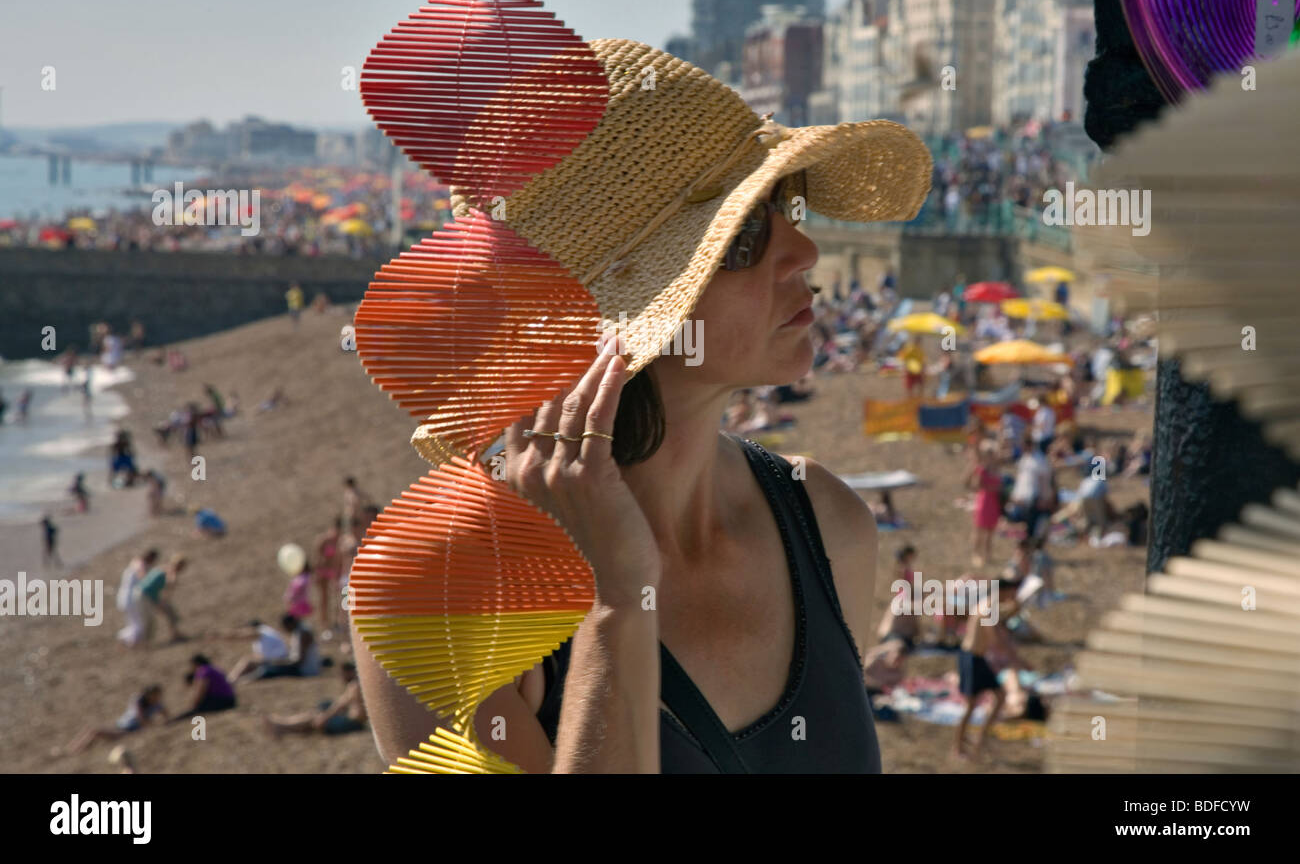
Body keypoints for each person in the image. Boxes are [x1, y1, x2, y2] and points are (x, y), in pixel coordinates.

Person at [352, 37, 933, 774]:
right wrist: (617, 606)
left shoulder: (823, 518)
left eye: (781, 204)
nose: (806, 250)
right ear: (632, 306)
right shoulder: (441, 585)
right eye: (746, 234)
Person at [952, 592, 1027, 762]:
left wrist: (1014, 609)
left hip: (976, 657)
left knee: (999, 696)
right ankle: (959, 747)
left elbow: (1001, 618)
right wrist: (1016, 660)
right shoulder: (987, 608)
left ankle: (979, 740)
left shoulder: (987, 605)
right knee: (971, 705)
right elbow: (995, 639)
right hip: (972, 658)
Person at [264, 662, 368, 737]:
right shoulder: (358, 684)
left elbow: (340, 704)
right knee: (321, 708)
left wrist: (325, 717)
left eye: (342, 674)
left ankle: (284, 726)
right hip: (353, 720)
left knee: (314, 717)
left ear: (349, 672)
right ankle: (285, 725)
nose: (341, 677)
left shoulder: (355, 685)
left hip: (353, 724)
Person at [58, 686, 167, 756]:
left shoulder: (155, 704)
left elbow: (143, 718)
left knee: (96, 732)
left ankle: (75, 750)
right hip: (121, 726)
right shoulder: (141, 700)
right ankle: (74, 748)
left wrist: (152, 725)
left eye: (157, 695)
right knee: (92, 730)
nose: (156, 697)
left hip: (128, 730)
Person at [229, 615, 322, 681]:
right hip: (304, 668)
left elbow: (298, 660)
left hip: (305, 671)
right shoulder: (300, 632)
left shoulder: (303, 633)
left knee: (268, 670)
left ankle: (242, 680)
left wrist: (278, 662)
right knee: (268, 666)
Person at [1006, 435, 1052, 540]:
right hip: (1020, 498)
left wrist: (1044, 497)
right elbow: (1021, 480)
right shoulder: (1024, 458)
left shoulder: (1040, 460)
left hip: (1034, 498)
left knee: (1031, 527)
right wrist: (1015, 495)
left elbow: (1043, 481)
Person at [965, 440, 1003, 566]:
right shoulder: (982, 469)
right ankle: (976, 554)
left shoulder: (997, 469)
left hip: (994, 502)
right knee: (979, 530)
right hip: (984, 501)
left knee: (990, 532)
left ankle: (987, 554)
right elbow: (976, 485)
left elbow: (1000, 486)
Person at [171, 655, 237, 722]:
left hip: (222, 701)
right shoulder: (214, 669)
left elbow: (201, 691)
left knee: (193, 712)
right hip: (231, 700)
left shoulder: (203, 671)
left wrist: (194, 705)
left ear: (195, 664)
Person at [139, 554, 187, 643]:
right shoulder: (171, 573)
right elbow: (168, 590)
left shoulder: (162, 567)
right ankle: (175, 634)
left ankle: (174, 633)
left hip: (141, 593)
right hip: (147, 596)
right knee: (165, 614)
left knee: (151, 618)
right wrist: (162, 602)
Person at [116, 550, 158, 647]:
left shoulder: (134, 562)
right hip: (131, 598)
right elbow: (142, 575)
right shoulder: (141, 564)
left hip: (123, 596)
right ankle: (129, 641)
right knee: (138, 624)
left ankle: (125, 638)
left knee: (133, 622)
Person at [314, 519, 344, 637]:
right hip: (324, 571)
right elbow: (318, 557)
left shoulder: (341, 540)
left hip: (335, 571)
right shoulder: (324, 539)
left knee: (338, 598)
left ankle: (337, 623)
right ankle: (325, 625)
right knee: (324, 599)